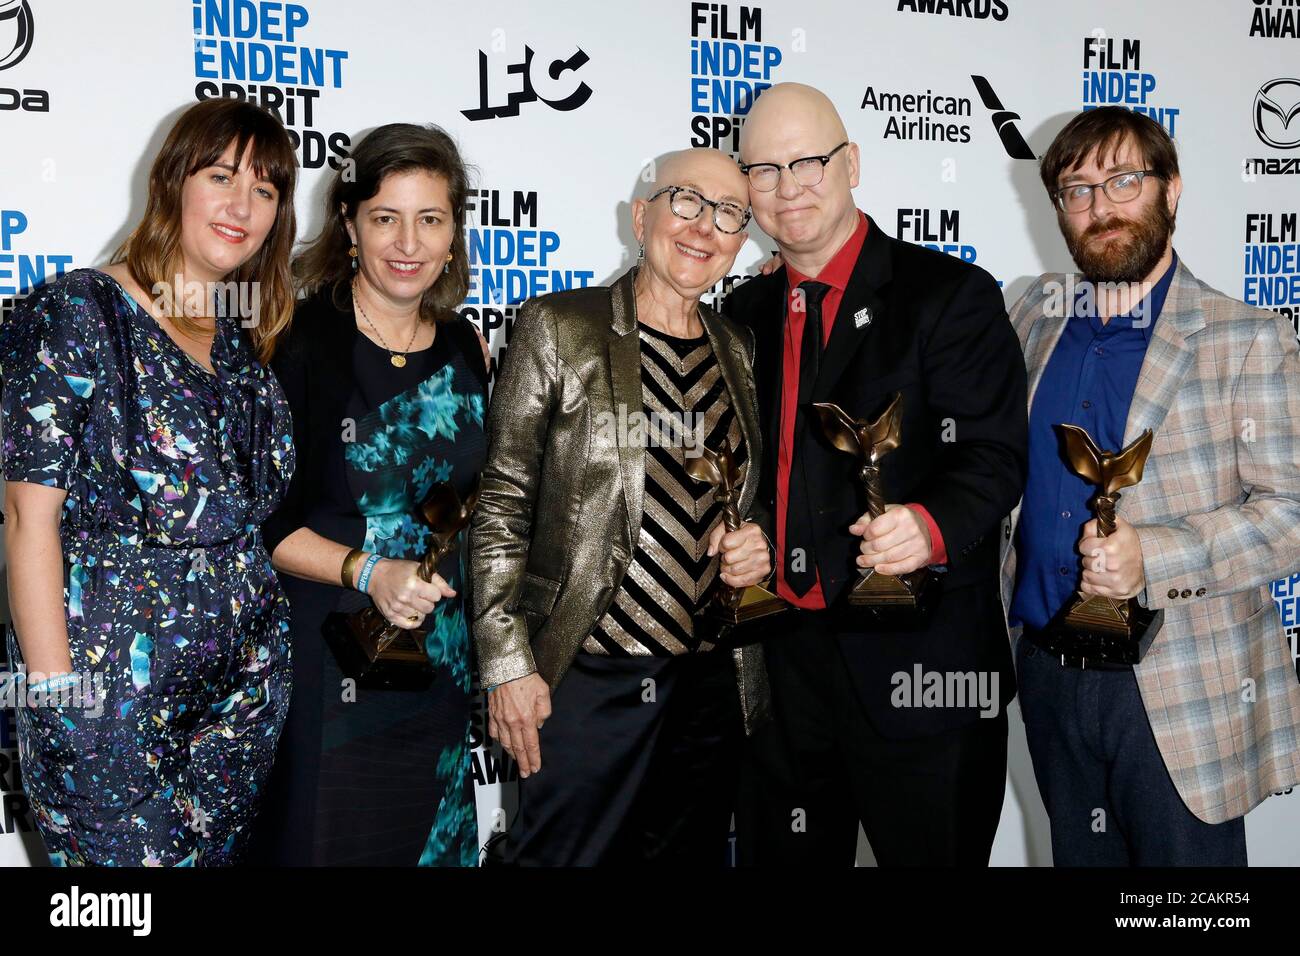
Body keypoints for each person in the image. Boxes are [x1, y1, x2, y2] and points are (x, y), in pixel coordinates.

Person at [725, 83, 1028, 866]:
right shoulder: (744, 315)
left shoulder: (949, 295)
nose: (788, 188)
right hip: (783, 671)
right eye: (764, 170)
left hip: (923, 669)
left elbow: (994, 456)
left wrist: (926, 529)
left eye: (808, 162)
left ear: (851, 162)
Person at [0, 98, 298, 866]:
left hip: (243, 697)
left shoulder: (238, 345)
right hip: (107, 702)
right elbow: (26, 517)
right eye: (221, 175)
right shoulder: (78, 310)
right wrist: (57, 699)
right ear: (173, 181)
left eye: (265, 189)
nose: (242, 205)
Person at [1004, 106, 1300, 866]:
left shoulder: (1246, 337)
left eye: (1124, 181)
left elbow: (1291, 515)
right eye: (1077, 190)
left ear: (1171, 192)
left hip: (1174, 684)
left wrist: (1156, 558)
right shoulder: (1032, 315)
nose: (1101, 207)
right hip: (1046, 673)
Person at [471, 148, 771, 866]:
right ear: (642, 216)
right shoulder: (558, 326)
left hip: (708, 678)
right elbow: (503, 501)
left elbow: (730, 491)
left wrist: (749, 541)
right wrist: (507, 661)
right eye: (687, 202)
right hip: (591, 672)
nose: (705, 227)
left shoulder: (738, 347)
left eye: (730, 214)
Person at [252, 123, 488, 867]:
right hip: (328, 656)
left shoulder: (466, 345)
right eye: (386, 217)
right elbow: (261, 521)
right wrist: (368, 571)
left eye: (431, 219)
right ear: (350, 223)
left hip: (441, 662)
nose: (408, 242)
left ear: (453, 233)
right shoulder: (295, 338)